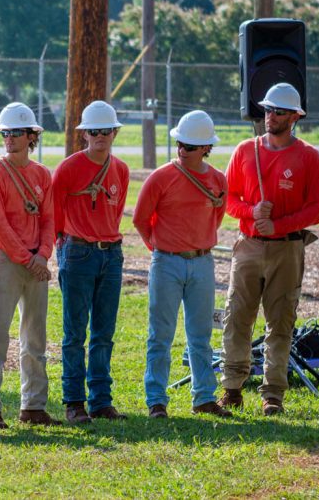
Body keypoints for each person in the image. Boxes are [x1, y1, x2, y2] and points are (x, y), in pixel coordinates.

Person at [218, 83, 319, 416]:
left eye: (279, 111)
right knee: (237, 317)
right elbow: (227, 199)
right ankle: (232, 388)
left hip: (288, 249)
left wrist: (279, 225)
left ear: (295, 116)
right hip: (248, 246)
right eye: (268, 109)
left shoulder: (309, 156)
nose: (271, 116)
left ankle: (273, 395)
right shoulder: (244, 151)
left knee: (280, 323)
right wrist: (252, 212)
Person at [133, 111, 231, 419]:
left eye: (189, 146)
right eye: (180, 144)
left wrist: (193, 245)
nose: (182, 150)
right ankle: (156, 401)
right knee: (160, 334)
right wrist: (162, 249)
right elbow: (140, 220)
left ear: (205, 148)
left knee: (201, 335)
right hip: (167, 263)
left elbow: (216, 218)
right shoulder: (161, 177)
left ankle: (203, 397)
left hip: (202, 262)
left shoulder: (217, 180)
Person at [0, 103, 59, 429]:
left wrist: (44, 254)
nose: (9, 139)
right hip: (8, 261)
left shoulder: (42, 174)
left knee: (35, 337)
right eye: (5, 133)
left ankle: (34, 405)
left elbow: (50, 219)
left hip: (35, 260)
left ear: (31, 136)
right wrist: (31, 260)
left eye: (15, 133)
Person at [51, 100, 130, 423]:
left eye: (106, 131)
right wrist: (63, 250)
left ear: (114, 133)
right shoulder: (68, 169)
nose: (100, 136)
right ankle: (73, 402)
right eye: (94, 131)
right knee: (75, 333)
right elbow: (54, 215)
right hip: (78, 251)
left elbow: (115, 208)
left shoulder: (121, 170)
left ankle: (100, 400)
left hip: (110, 253)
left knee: (103, 332)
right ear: (85, 135)